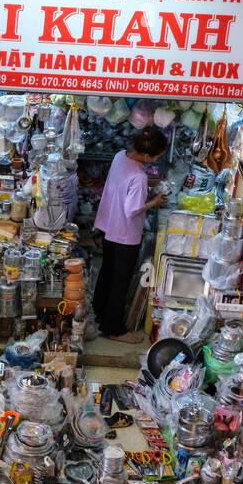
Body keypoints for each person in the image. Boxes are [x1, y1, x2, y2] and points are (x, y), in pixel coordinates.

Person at [92, 126, 169, 343]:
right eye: (156, 157)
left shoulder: (120, 157)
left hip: (109, 226)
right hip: (125, 235)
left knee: (107, 273)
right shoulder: (139, 176)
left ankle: (98, 313)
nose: (155, 160)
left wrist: (151, 181)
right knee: (120, 282)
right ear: (146, 155)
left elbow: (123, 184)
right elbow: (132, 209)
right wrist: (154, 201)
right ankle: (114, 329)